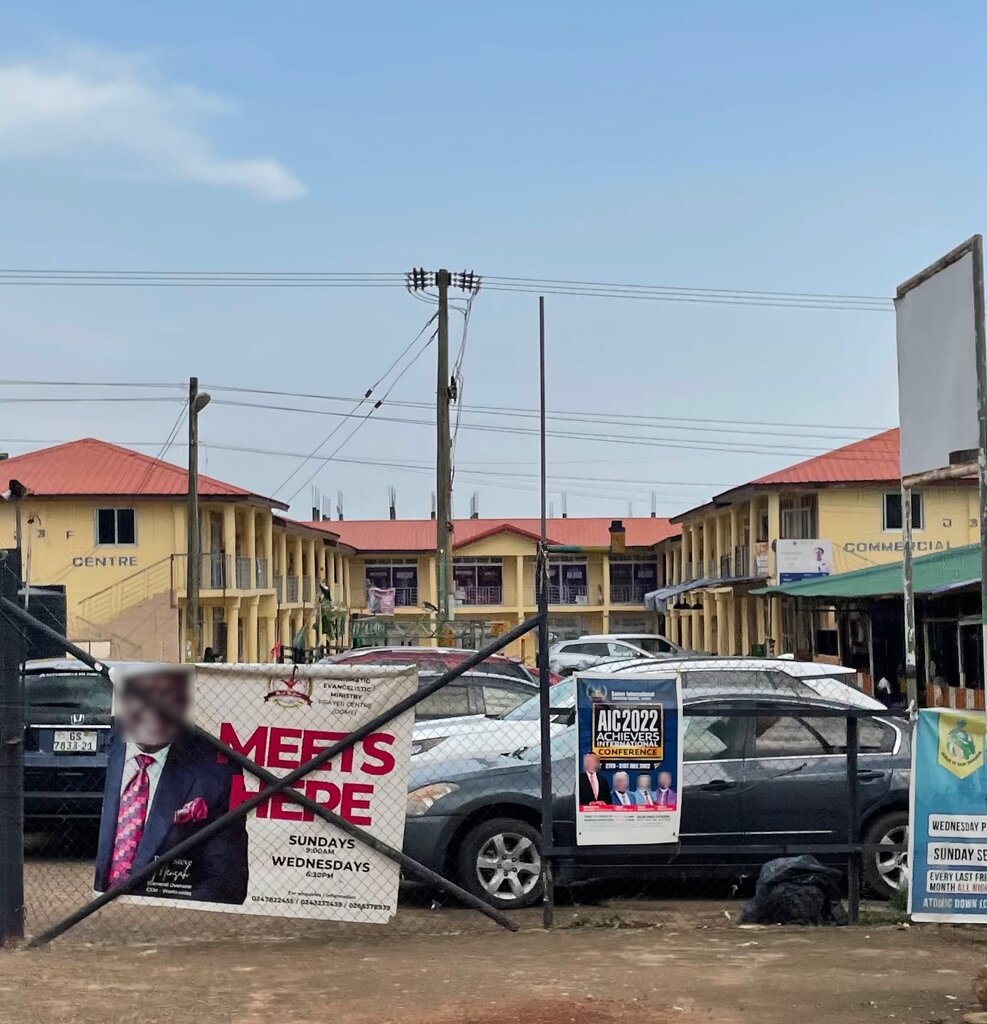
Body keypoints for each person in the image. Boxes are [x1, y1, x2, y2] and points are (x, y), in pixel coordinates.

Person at [94, 666, 249, 904]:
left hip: (164, 912)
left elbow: (225, 880)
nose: (154, 714)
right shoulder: (101, 755)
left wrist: (170, 907)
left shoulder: (212, 778)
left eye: (168, 705)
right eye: (144, 702)